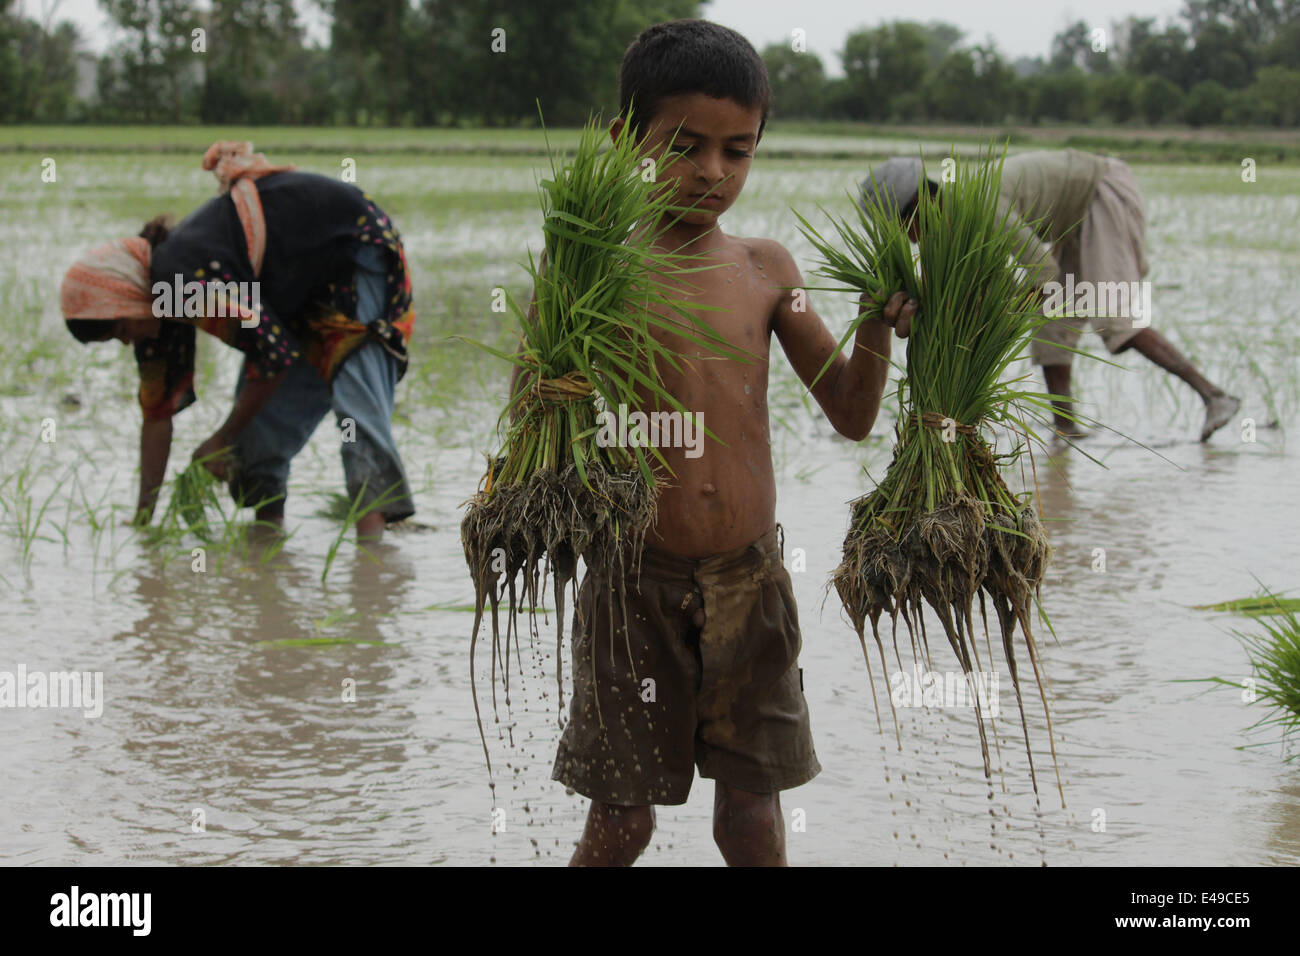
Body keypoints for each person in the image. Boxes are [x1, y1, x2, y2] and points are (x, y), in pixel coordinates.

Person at [540, 19, 913, 866]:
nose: (713, 173)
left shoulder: (766, 269)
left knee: (749, 821)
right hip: (633, 584)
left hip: (751, 582)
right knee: (621, 824)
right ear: (623, 141)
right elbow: (539, 410)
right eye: (685, 145)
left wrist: (878, 323)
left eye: (737, 151)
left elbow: (851, 414)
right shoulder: (593, 272)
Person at [60, 142, 416, 538]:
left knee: (356, 408)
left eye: (121, 329)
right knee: (256, 440)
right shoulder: (158, 310)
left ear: (123, 294)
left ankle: (373, 564)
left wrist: (219, 439)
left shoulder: (175, 280)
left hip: (354, 249)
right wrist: (144, 522)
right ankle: (267, 542)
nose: (128, 342)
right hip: (296, 294)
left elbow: (273, 356)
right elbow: (157, 416)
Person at [860, 151, 1240, 441]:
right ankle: (1067, 432)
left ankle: (1214, 396)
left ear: (916, 210)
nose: (908, 240)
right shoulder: (949, 234)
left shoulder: (979, 206)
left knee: (1113, 317)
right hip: (1068, 224)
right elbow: (1000, 288)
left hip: (1099, 195)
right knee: (1050, 334)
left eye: (900, 228)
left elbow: (1042, 270)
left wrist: (1002, 314)